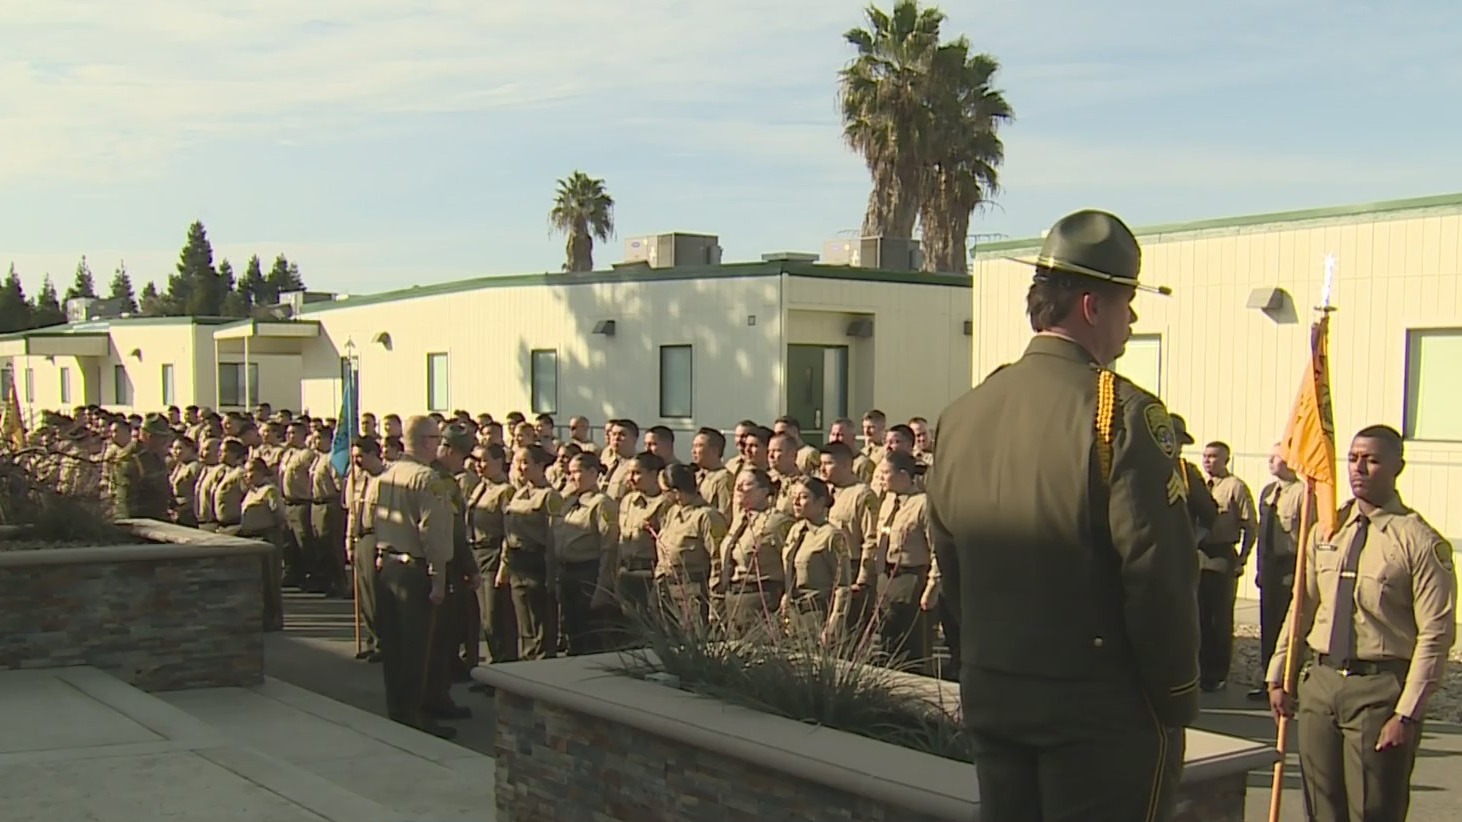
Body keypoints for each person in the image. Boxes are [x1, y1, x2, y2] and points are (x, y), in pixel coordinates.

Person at [926, 209, 1199, 822]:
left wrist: (984, 661)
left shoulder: (964, 413)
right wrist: (1175, 697)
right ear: (1090, 306)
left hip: (995, 694)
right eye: (1127, 303)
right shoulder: (1122, 413)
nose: (1131, 320)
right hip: (1096, 713)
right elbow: (1156, 575)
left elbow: (952, 566)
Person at [1266, 425, 1456, 822]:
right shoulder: (1326, 529)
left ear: (1397, 467)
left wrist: (1407, 714)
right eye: (1353, 458)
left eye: (1372, 459)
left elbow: (1435, 637)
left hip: (1378, 690)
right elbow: (1303, 606)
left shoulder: (1418, 541)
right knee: (1321, 805)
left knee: (1373, 809)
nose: (1359, 468)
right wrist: (1280, 672)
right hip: (1321, 684)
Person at [363, 416, 456, 739]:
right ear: (428, 441)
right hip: (414, 569)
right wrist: (439, 577)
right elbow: (434, 533)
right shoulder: (428, 479)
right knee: (417, 648)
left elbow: (372, 518)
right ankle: (414, 715)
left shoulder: (387, 474)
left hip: (388, 564)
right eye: (437, 438)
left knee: (394, 647)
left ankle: (398, 708)